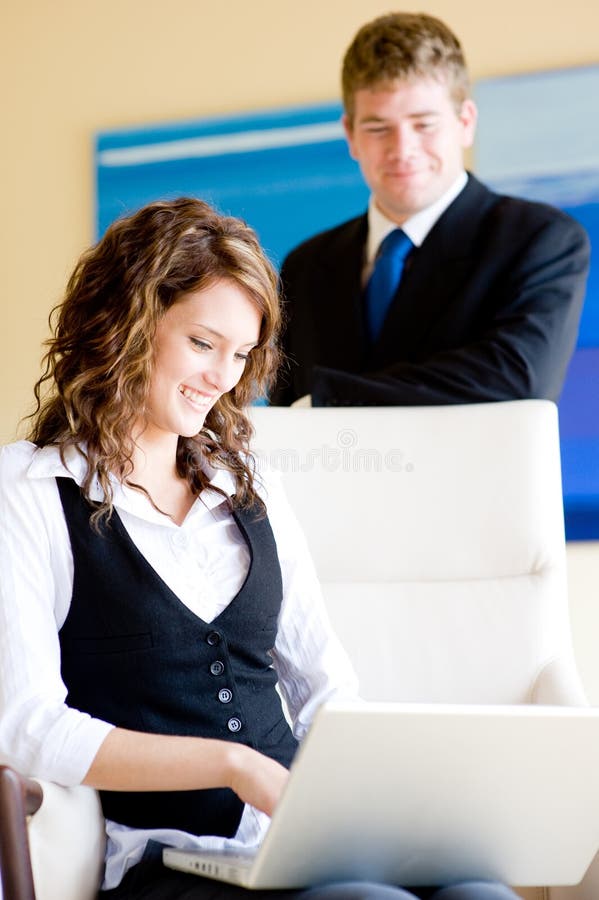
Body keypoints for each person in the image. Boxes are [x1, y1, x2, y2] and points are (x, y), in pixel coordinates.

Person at [0, 197, 518, 900]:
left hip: (295, 843)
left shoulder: (247, 483)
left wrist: (398, 804)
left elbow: (324, 689)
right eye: (203, 344)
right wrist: (233, 764)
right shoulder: (29, 489)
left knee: (478, 893)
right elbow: (28, 728)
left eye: (240, 355)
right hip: (171, 861)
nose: (221, 378)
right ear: (125, 324)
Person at [270, 12, 591, 408]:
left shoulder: (540, 240)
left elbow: (518, 377)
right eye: (377, 128)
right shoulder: (306, 267)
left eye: (423, 124)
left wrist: (327, 399)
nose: (402, 149)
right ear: (351, 135)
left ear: (465, 122)